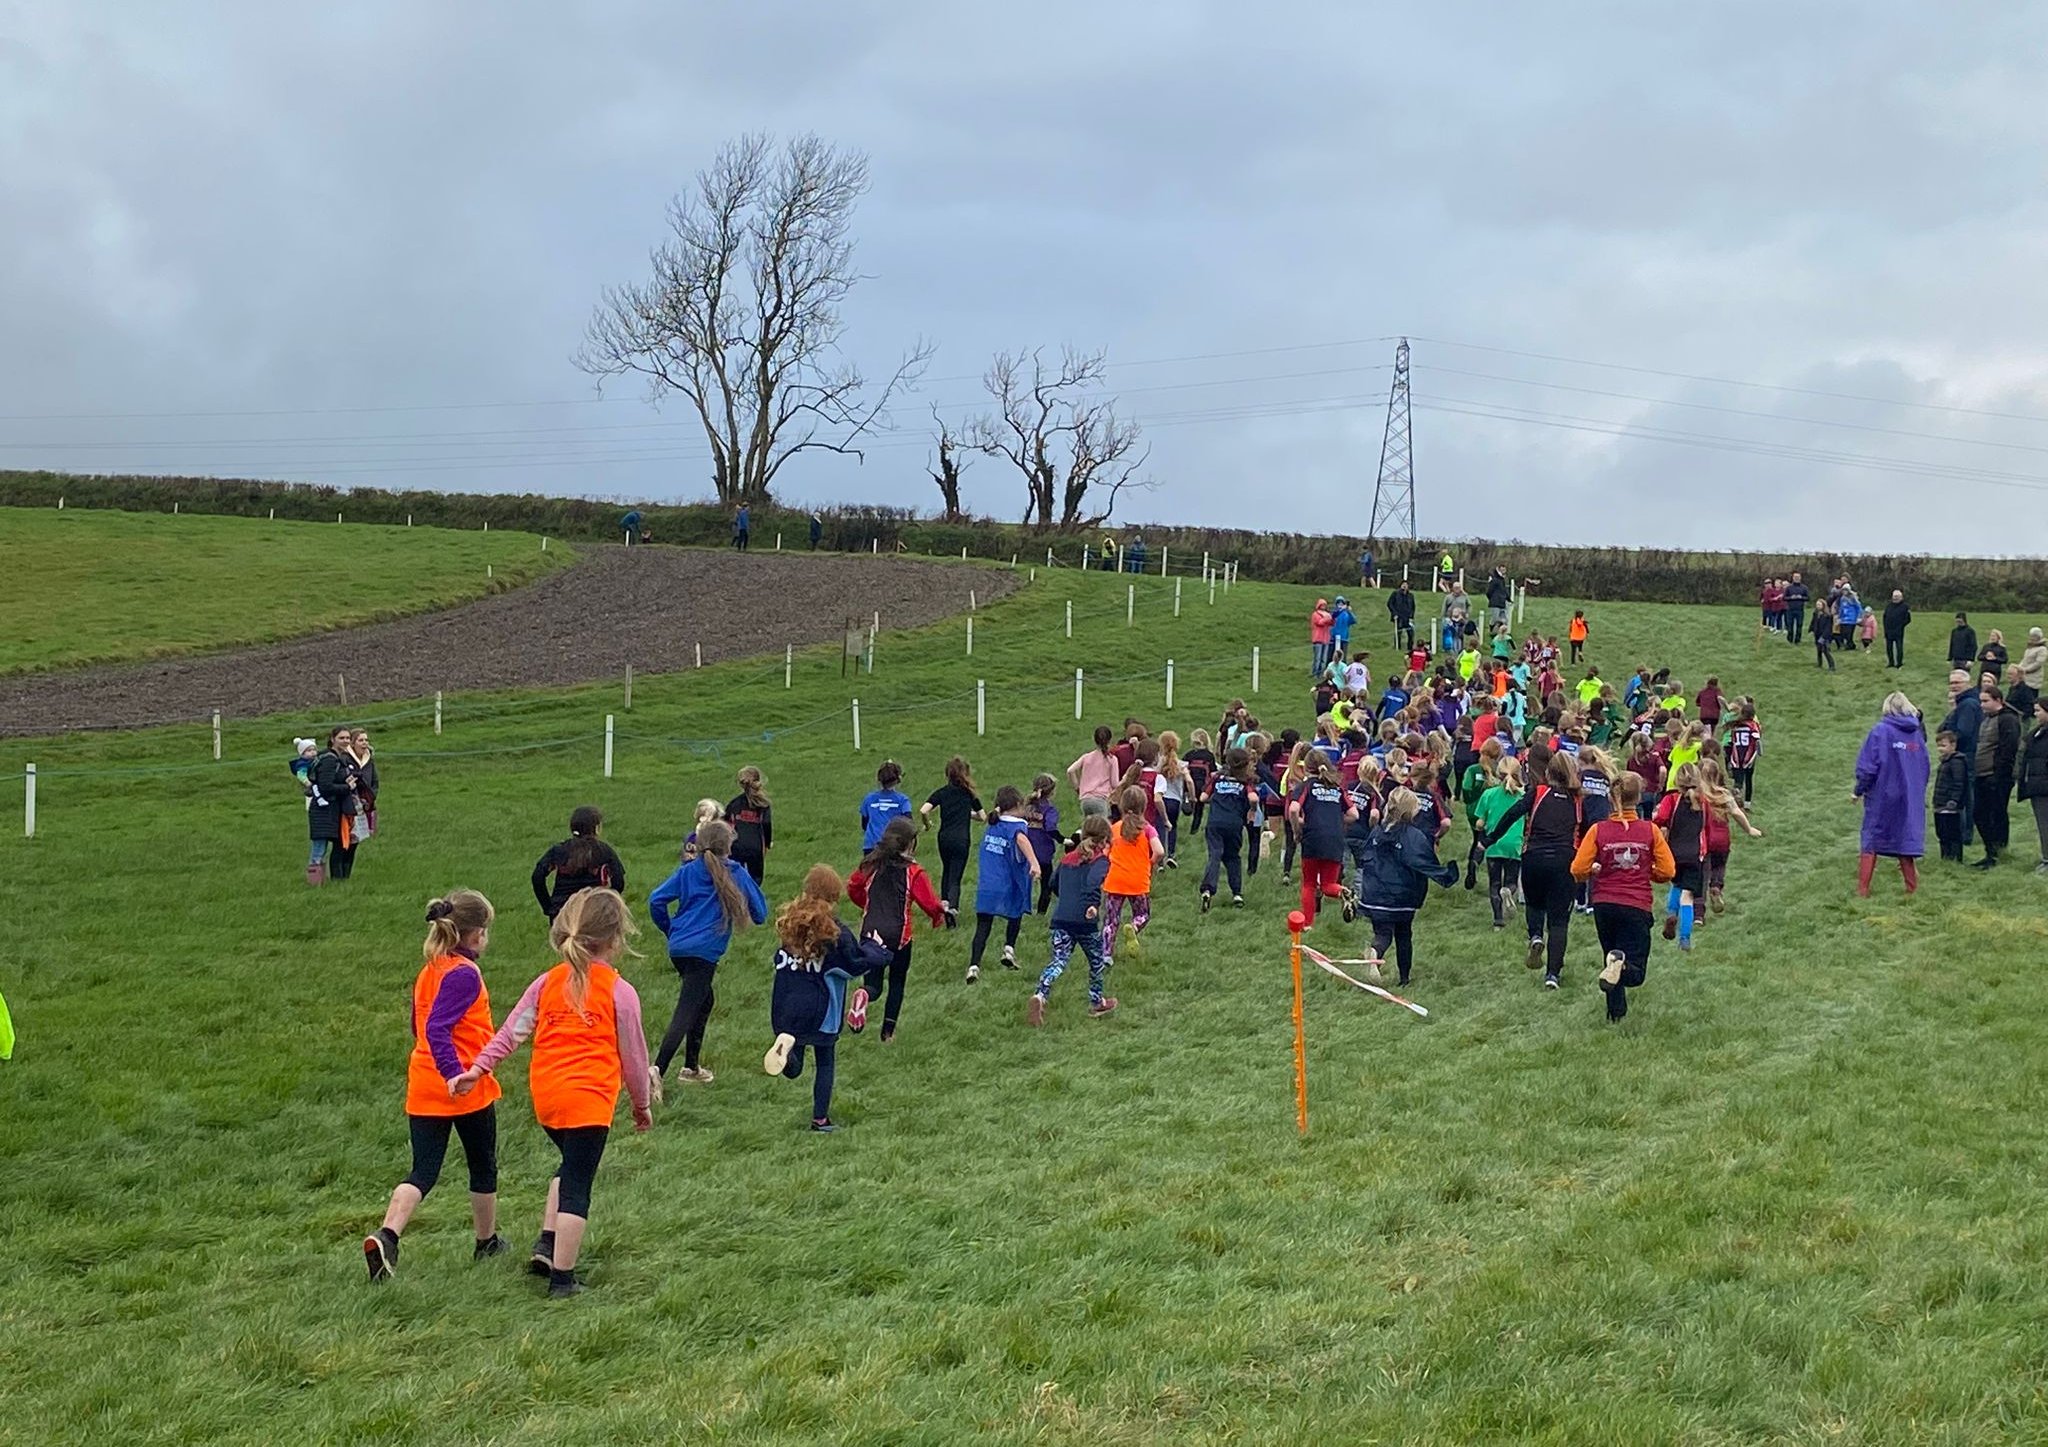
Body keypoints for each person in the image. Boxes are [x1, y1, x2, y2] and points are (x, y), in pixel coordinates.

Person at [454, 888, 652, 1299]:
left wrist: (477, 1068)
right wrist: (641, 1104)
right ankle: (563, 1279)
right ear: (615, 939)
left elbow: (510, 1033)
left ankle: (547, 1243)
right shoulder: (620, 992)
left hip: (548, 1099)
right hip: (589, 1102)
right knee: (578, 1185)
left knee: (569, 1165)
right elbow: (634, 1057)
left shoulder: (548, 982)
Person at [362, 891, 506, 1282]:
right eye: (485, 931)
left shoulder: (431, 969)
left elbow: (417, 1027)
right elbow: (435, 1028)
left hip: (422, 1085)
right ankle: (486, 1241)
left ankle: (387, 1236)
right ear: (475, 935)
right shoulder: (464, 974)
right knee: (482, 1164)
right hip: (463, 1085)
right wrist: (453, 1074)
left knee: (422, 1171)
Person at [763, 866, 890, 1132]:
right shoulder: (833, 932)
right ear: (834, 897)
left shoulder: (790, 924)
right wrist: (878, 949)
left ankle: (785, 1055)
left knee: (794, 1063)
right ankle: (820, 1120)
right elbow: (854, 964)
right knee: (825, 1061)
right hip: (821, 1009)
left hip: (786, 1004)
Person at [647, 820, 768, 1090]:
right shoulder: (736, 872)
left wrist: (671, 929)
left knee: (704, 1000)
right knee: (687, 1009)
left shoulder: (688, 871)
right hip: (704, 952)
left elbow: (656, 900)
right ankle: (657, 1069)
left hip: (678, 949)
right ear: (729, 847)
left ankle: (691, 1067)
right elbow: (761, 914)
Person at [1571, 772, 1676, 1023]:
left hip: (1604, 903)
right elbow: (1668, 870)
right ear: (1639, 798)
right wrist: (1647, 871)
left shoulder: (1598, 830)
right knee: (1634, 972)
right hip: (1635, 904)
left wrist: (1593, 870)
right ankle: (1621, 967)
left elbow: (1577, 869)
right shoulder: (1649, 831)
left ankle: (1615, 1015)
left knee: (1611, 956)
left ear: (1610, 797)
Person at [1481, 751, 1585, 989]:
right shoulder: (1578, 800)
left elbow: (1512, 814)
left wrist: (1490, 838)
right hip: (1564, 860)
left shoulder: (1537, 792)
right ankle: (1552, 975)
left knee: (1535, 904)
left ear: (1549, 771)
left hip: (1534, 857)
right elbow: (1589, 831)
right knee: (1559, 922)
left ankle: (1536, 936)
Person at [847, 817, 954, 1043]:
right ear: (910, 844)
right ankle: (887, 1034)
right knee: (897, 982)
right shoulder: (914, 871)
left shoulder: (871, 863)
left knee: (874, 982)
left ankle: (864, 994)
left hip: (870, 933)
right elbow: (929, 902)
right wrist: (939, 913)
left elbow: (853, 886)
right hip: (899, 937)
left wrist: (865, 903)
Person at [1354, 787, 1460, 987]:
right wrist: (1447, 875)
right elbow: (1425, 862)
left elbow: (1365, 858)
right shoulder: (1414, 836)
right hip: (1402, 896)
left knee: (1383, 933)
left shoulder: (1377, 831)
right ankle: (1404, 979)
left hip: (1374, 894)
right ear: (1412, 810)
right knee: (1404, 935)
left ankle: (1375, 952)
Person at [1029, 816, 1118, 1023]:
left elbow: (1052, 883)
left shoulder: (1066, 859)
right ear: (1104, 840)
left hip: (1061, 918)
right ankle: (1097, 1002)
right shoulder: (1100, 860)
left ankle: (1040, 995)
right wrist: (1092, 905)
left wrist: (1068, 899)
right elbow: (1093, 882)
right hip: (1085, 921)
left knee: (1059, 960)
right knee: (1096, 962)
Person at [1853, 692, 1930, 897]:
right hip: (1910, 796)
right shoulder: (1916, 734)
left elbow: (1868, 767)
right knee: (1904, 840)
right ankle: (1912, 889)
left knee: (1871, 839)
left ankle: (1863, 890)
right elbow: (1925, 766)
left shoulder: (1880, 731)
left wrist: (1859, 790)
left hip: (1883, 795)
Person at [966, 785, 1040, 982]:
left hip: (986, 885)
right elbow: (1022, 840)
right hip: (1007, 884)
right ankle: (1009, 949)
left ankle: (973, 966)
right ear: (1017, 805)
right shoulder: (1017, 826)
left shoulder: (993, 823)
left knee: (983, 926)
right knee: (1015, 913)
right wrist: (1034, 863)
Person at [1287, 757, 1357, 924]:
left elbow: (1293, 809)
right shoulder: (1337, 788)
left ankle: (1308, 924)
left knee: (1309, 884)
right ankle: (1343, 891)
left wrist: (1298, 829)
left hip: (1313, 837)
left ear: (1307, 769)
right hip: (1335, 838)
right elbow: (1354, 815)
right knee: (1328, 884)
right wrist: (1336, 821)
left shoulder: (1307, 785)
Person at [1102, 785, 1164, 967]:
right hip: (1138, 881)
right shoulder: (1147, 829)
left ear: (1121, 806)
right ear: (1144, 806)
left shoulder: (1114, 828)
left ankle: (1106, 955)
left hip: (1115, 880)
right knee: (1143, 914)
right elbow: (1159, 851)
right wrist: (1150, 861)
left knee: (1111, 920)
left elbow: (1105, 852)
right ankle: (1134, 926)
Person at [532, 806, 627, 920]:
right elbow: (618, 881)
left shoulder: (559, 850)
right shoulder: (604, 851)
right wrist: (606, 904)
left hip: (562, 912)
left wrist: (548, 906)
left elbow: (537, 876)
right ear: (596, 828)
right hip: (592, 911)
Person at [920, 756, 984, 911]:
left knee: (946, 870)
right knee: (956, 875)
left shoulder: (942, 792)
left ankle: (943, 904)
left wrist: (927, 824)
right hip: (961, 839)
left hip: (944, 838)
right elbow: (983, 817)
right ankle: (952, 907)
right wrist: (966, 814)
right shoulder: (969, 794)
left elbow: (924, 810)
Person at [1971, 685, 2022, 869]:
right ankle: (1990, 851)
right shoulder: (1987, 719)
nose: (1982, 705)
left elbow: (2008, 749)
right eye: (1981, 701)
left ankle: (1997, 852)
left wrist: (1998, 774)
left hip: (1997, 776)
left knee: (1995, 813)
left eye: (1986, 701)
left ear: (1998, 700)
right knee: (1979, 813)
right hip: (1982, 773)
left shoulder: (2007, 719)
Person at [1198, 746, 1255, 910]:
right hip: (1234, 824)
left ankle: (1208, 889)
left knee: (1215, 855)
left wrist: (1216, 800)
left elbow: (1203, 797)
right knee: (1233, 857)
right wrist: (1252, 810)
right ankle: (1237, 893)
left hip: (1215, 822)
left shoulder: (1217, 778)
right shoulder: (1246, 781)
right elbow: (1253, 797)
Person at [1473, 758, 1526, 929]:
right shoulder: (1523, 797)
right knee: (1511, 879)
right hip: (1514, 845)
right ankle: (1509, 891)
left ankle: (1498, 921)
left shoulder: (1488, 794)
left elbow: (1479, 822)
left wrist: (1482, 825)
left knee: (1494, 883)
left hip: (1493, 845)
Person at [307, 727, 360, 884]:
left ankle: (320, 881)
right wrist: (347, 787)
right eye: (341, 738)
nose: (345, 741)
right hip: (324, 810)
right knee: (319, 848)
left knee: (325, 846)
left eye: (348, 738)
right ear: (332, 739)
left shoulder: (339, 758)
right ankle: (314, 882)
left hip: (333, 809)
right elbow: (326, 786)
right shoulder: (330, 759)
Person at [1938, 670, 1983, 847]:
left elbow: (1963, 732)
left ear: (1968, 683)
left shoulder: (1968, 704)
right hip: (1966, 755)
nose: (1954, 686)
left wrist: (1948, 739)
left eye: (1957, 682)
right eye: (1951, 683)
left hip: (1966, 755)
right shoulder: (1965, 703)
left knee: (1964, 795)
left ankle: (1964, 834)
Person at [1023, 774, 1063, 915]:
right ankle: (1041, 912)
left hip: (1025, 849)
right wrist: (1062, 839)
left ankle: (1023, 908)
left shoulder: (1025, 807)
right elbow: (1051, 828)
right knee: (1046, 883)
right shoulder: (1049, 810)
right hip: (1043, 852)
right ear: (1052, 792)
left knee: (1024, 880)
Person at [725, 768, 773, 884]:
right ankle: (752, 900)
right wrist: (767, 843)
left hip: (736, 846)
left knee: (735, 879)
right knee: (755, 881)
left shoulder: (734, 804)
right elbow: (766, 824)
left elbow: (725, 824)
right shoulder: (763, 805)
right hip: (755, 847)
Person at [2018, 699, 2048, 874]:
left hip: (2043, 786)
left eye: (2038, 711)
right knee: (2042, 824)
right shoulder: (2036, 733)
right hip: (2037, 786)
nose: (2035, 714)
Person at [1068, 725, 1122, 819]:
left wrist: (1078, 788)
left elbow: (1070, 770)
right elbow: (1114, 784)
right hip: (1100, 799)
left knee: (1088, 828)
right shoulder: (1112, 759)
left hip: (1085, 800)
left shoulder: (1086, 757)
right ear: (1110, 740)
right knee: (1101, 829)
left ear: (1094, 739)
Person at [1932, 730, 1969, 863]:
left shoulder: (1956, 762)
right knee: (1942, 833)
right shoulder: (1945, 762)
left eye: (1943, 745)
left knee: (1952, 833)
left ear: (1953, 745)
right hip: (1940, 804)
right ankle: (1945, 858)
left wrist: (1954, 800)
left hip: (1950, 805)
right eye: (1939, 746)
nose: (1940, 749)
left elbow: (1959, 783)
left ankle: (1956, 859)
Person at [859, 761, 912, 850]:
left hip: (871, 844)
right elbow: (908, 822)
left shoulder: (869, 799)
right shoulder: (903, 800)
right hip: (894, 845)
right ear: (898, 779)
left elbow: (864, 824)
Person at [1726, 701, 1763, 804]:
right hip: (1748, 757)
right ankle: (1747, 803)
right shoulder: (1752, 725)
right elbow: (1757, 739)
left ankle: (1736, 796)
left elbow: (1732, 741)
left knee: (1738, 781)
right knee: (1748, 780)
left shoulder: (1736, 726)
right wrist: (1759, 751)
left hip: (1736, 757)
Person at [349, 729, 379, 837]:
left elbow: (375, 780)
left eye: (366, 740)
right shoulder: (347, 759)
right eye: (361, 740)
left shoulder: (369, 759)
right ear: (353, 743)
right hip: (352, 801)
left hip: (368, 800)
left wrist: (372, 794)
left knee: (367, 834)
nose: (365, 743)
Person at [1308, 598, 1335, 679]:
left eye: (1325, 605)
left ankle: (1321, 673)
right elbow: (1319, 623)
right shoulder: (1315, 614)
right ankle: (1315, 673)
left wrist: (1332, 619)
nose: (1323, 606)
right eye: (1322, 605)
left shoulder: (1327, 614)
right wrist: (1327, 619)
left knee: (1324, 658)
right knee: (1318, 658)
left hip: (1326, 638)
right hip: (1318, 638)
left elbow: (1331, 623)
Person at [1387, 582, 1416, 652]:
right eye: (1403, 584)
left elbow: (1413, 606)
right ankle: (1397, 646)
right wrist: (1394, 613)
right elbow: (1390, 603)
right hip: (1398, 617)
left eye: (1406, 585)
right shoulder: (1395, 594)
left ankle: (1410, 647)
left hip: (1407, 617)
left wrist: (1411, 616)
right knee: (1398, 633)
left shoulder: (1410, 595)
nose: (1404, 586)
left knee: (1411, 633)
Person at [1811, 596, 1837, 672]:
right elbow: (1813, 622)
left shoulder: (1827, 616)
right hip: (1817, 634)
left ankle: (1832, 666)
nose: (1817, 606)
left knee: (1825, 651)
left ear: (1823, 606)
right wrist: (1811, 629)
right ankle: (1819, 663)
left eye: (1819, 605)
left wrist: (1824, 636)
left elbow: (1828, 627)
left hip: (1824, 635)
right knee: (1818, 650)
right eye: (1817, 605)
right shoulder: (1816, 613)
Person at [1783, 573, 1810, 645]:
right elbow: (1784, 597)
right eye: (1795, 577)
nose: (1796, 578)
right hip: (1790, 609)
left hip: (1800, 609)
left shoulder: (1804, 588)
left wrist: (1801, 597)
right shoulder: (1789, 588)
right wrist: (1791, 597)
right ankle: (1790, 639)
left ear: (1800, 578)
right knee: (1790, 625)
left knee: (1799, 625)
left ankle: (1798, 640)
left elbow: (1808, 598)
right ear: (1792, 578)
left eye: (1798, 577)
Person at [1486, 567, 1513, 632]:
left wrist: (1508, 599)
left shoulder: (1502, 581)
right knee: (1495, 618)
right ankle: (1491, 628)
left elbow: (1504, 591)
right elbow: (1489, 592)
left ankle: (1502, 632)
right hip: (1495, 603)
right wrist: (1492, 599)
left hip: (1502, 602)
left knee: (1505, 619)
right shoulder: (1494, 580)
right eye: (1502, 570)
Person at [1329, 596, 1356, 662]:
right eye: (1338, 603)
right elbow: (1330, 620)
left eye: (1342, 603)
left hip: (1344, 638)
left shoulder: (1346, 614)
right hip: (1333, 638)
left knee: (1342, 656)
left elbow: (1353, 620)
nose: (1340, 605)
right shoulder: (1334, 613)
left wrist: (1349, 612)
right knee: (1332, 656)